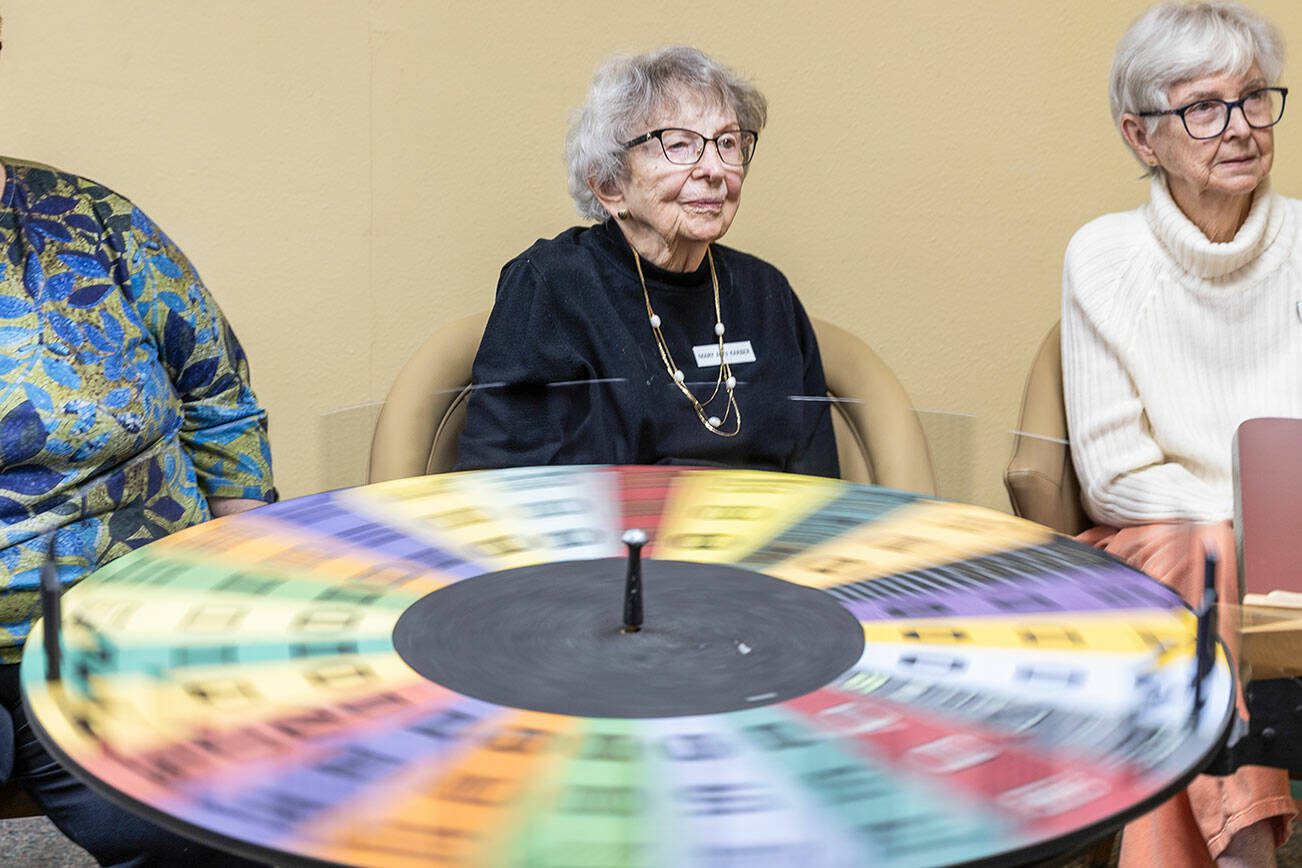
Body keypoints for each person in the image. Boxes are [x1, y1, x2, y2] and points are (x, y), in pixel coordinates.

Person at [1062, 2, 1302, 865]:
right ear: (1141, 135)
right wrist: (1245, 530)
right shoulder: (1104, 256)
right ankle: (1246, 847)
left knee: (1204, 579)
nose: (1239, 127)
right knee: (1203, 560)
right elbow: (1113, 477)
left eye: (1253, 97)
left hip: (1295, 553)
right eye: (1203, 106)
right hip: (1159, 546)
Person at [0, 155, 276, 864]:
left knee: (191, 827)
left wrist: (250, 585)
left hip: (128, 606)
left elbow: (219, 399)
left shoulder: (92, 219)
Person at [455, 46, 839, 477]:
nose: (714, 169)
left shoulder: (766, 292)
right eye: (680, 144)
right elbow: (501, 483)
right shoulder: (552, 287)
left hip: (767, 521)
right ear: (610, 185)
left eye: (728, 142)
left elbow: (821, 484)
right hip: (613, 522)